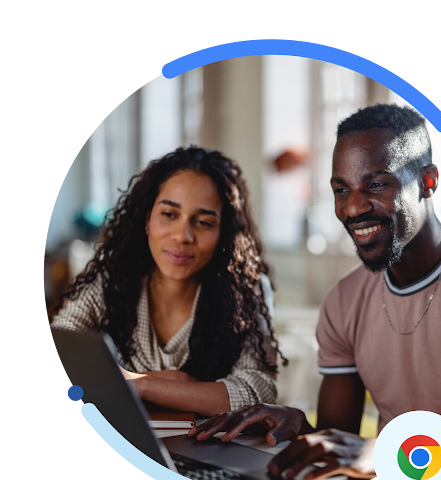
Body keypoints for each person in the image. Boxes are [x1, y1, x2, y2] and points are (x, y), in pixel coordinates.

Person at [188, 103, 441, 480]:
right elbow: (340, 440)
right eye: (341, 189)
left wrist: (384, 454)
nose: (353, 207)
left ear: (427, 182)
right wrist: (299, 427)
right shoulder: (344, 301)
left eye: (376, 184)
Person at [49, 146, 286, 417]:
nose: (182, 235)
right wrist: (180, 385)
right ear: (147, 219)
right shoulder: (111, 278)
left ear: (224, 234)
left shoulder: (245, 289)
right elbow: (63, 351)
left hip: (207, 450)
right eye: (169, 214)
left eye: (204, 222)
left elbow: (259, 391)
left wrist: (143, 384)